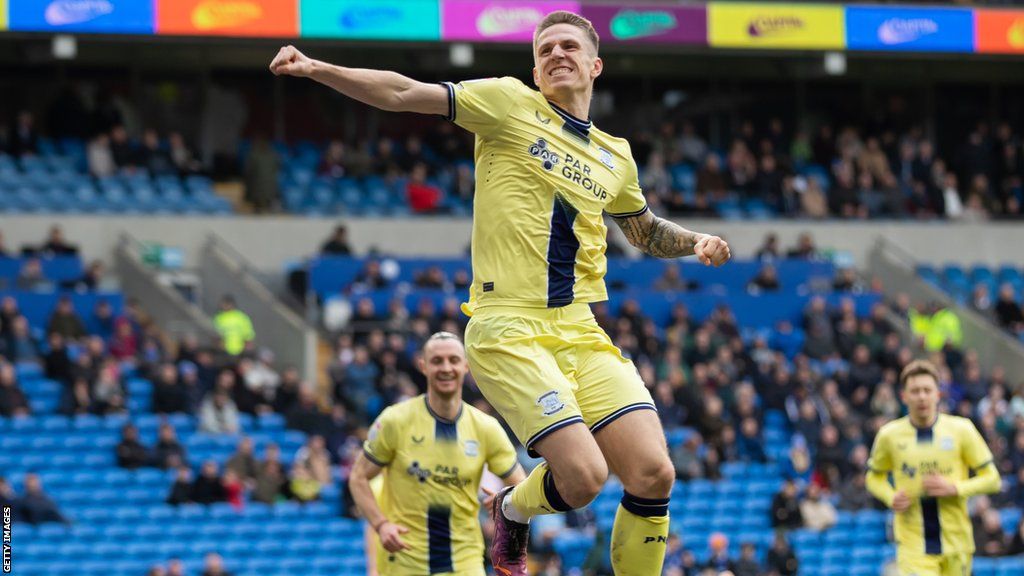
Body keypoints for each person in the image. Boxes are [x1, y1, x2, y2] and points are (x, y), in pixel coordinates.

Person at [271, 12, 731, 575]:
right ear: (535, 70)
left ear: (595, 65)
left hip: (580, 329)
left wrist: (697, 240)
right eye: (545, 49)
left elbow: (642, 229)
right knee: (584, 479)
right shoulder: (509, 103)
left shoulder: (617, 155)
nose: (557, 53)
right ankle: (510, 509)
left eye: (569, 46)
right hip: (507, 326)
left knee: (655, 473)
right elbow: (401, 92)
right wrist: (318, 68)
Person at [348, 332, 526, 575]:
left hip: (465, 562)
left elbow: (522, 487)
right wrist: (381, 525)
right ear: (423, 366)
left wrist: (506, 501)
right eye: (437, 361)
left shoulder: (486, 428)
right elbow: (358, 477)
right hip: (405, 562)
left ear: (466, 366)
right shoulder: (395, 420)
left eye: (453, 360)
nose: (446, 368)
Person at [866, 360, 1002, 576]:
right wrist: (890, 496)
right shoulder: (889, 435)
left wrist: (955, 488)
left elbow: (993, 479)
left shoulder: (962, 430)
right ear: (904, 396)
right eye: (915, 391)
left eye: (927, 390)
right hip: (913, 542)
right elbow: (873, 478)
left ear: (938, 394)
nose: (921, 396)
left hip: (956, 541)